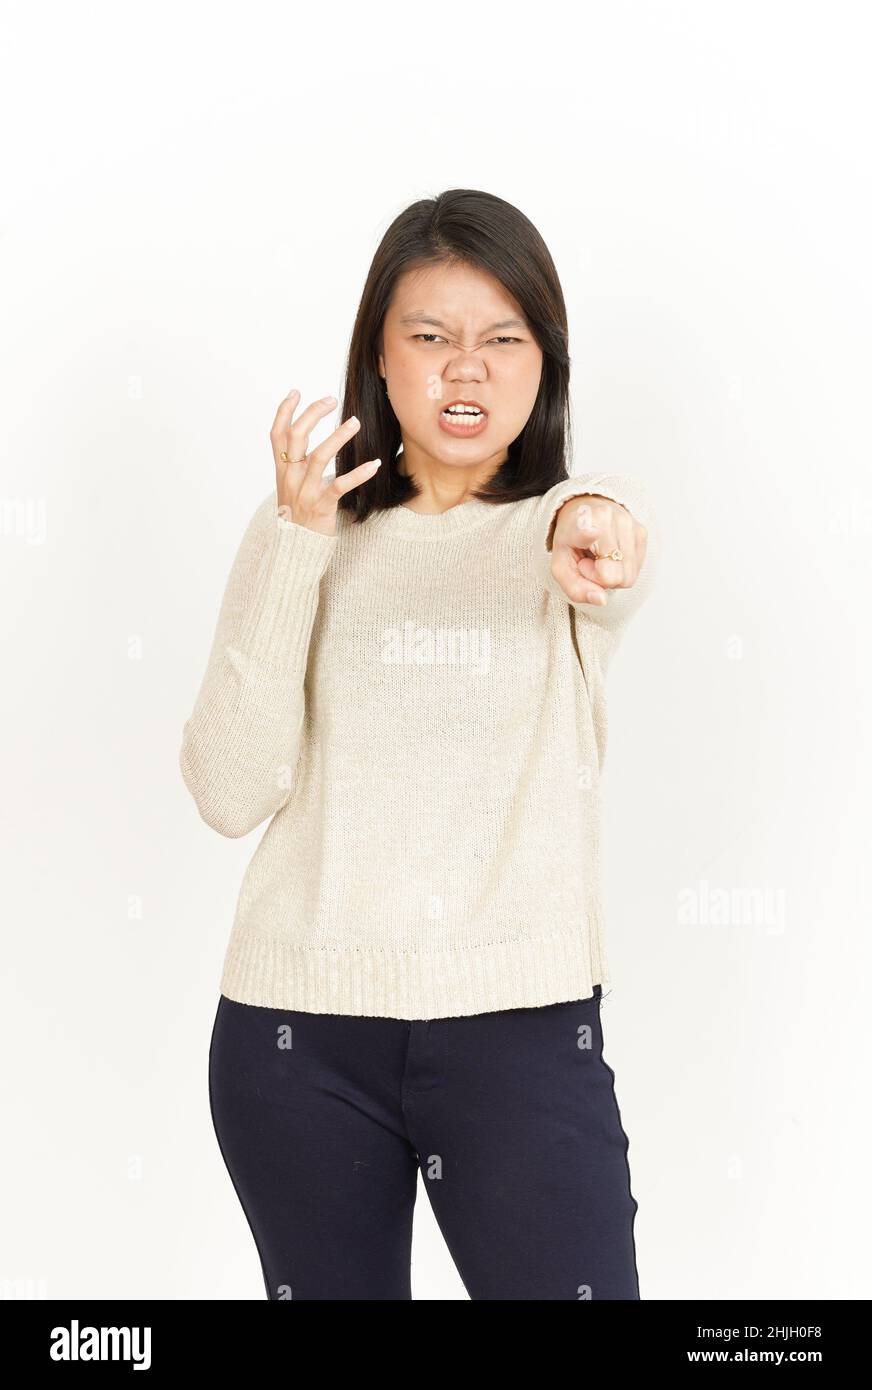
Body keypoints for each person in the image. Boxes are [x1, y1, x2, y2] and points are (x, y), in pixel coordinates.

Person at [179, 188, 657, 1300]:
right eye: (430, 337)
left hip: (522, 1038)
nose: (464, 370)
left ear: (545, 362)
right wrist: (297, 544)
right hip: (298, 1039)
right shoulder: (302, 530)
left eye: (501, 339)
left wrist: (600, 528)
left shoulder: (563, 532)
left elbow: (606, 527)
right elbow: (226, 789)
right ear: (378, 360)